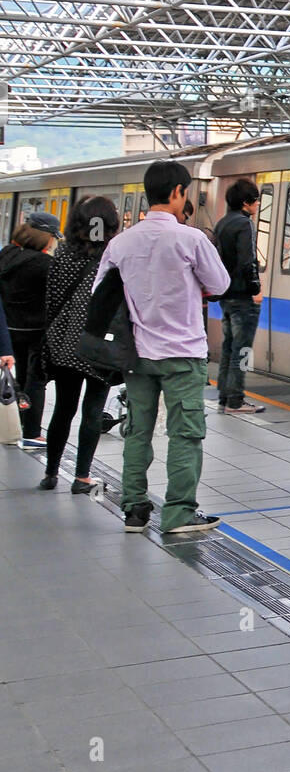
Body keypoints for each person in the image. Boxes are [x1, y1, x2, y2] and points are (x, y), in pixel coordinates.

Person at [94, 159, 230, 534]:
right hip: (183, 355)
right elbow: (219, 285)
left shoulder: (121, 243)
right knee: (185, 434)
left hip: (137, 355)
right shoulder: (190, 239)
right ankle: (178, 513)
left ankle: (135, 510)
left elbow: (100, 295)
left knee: (138, 431)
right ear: (176, 193)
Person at [39, 196, 120, 495]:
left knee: (63, 408)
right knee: (93, 410)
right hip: (100, 343)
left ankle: (50, 473)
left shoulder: (63, 255)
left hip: (65, 344)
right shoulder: (114, 257)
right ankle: (82, 477)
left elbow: (52, 302)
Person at [0, 222, 56, 447]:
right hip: (36, 330)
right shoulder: (44, 264)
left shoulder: (5, 255)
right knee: (36, 379)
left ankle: (17, 423)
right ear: (43, 239)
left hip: (9, 329)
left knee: (19, 377)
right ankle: (32, 432)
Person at [213, 179, 264, 415]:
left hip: (226, 294)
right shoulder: (245, 224)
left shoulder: (222, 223)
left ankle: (224, 396)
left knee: (228, 347)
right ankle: (236, 399)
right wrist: (255, 289)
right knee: (242, 349)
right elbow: (247, 261)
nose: (257, 204)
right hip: (243, 296)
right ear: (247, 203)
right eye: (256, 200)